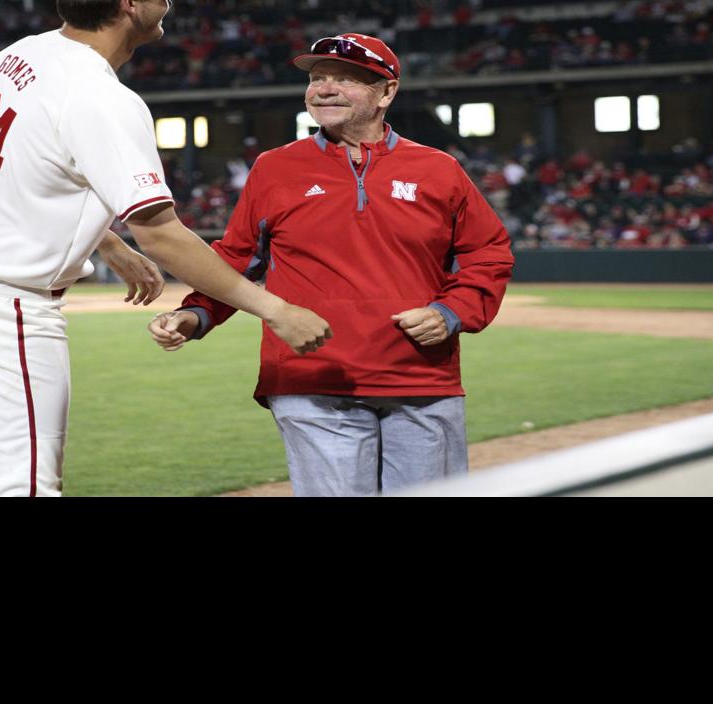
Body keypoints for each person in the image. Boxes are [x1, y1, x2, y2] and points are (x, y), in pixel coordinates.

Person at [0, 0, 331, 497]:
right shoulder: (102, 96)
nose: (167, 2)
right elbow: (162, 235)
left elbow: (28, 168)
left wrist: (104, 239)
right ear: (128, 4)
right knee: (23, 487)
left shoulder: (24, 52)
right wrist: (274, 310)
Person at [149, 32, 515, 496]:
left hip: (420, 377)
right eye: (318, 77)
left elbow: (489, 252)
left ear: (387, 92)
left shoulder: (439, 170)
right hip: (311, 379)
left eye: (347, 78)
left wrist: (452, 312)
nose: (324, 87)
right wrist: (198, 311)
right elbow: (239, 256)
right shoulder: (274, 168)